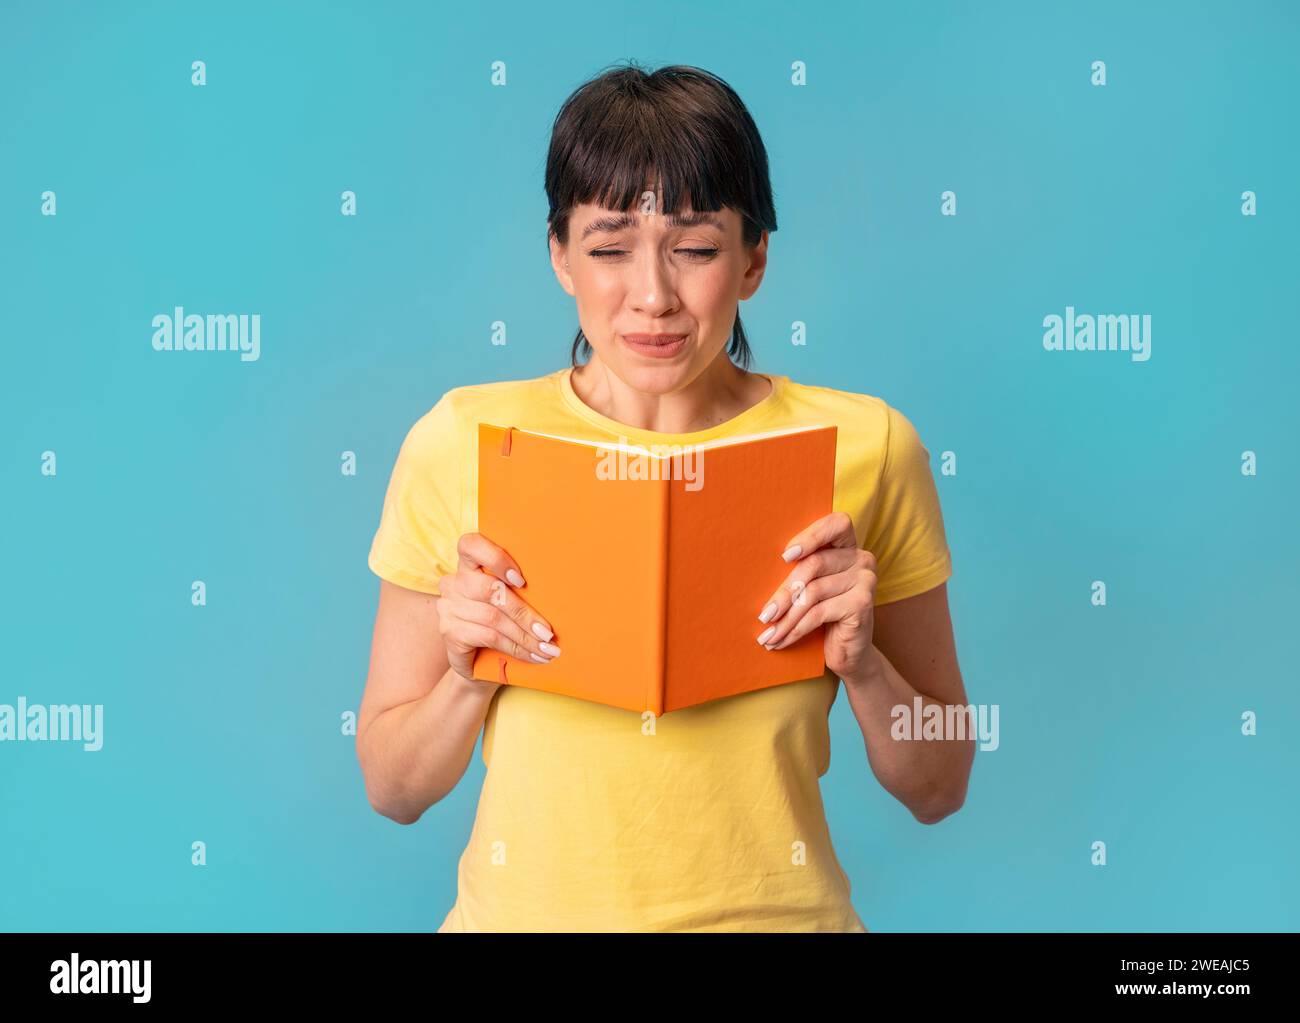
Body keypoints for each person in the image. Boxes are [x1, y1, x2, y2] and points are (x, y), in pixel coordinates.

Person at [357, 62, 973, 932]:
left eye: (695, 247)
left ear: (754, 258)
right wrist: (466, 677)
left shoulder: (867, 447)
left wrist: (865, 667)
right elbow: (392, 786)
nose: (653, 295)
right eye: (609, 247)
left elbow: (941, 784)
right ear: (559, 255)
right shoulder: (462, 443)